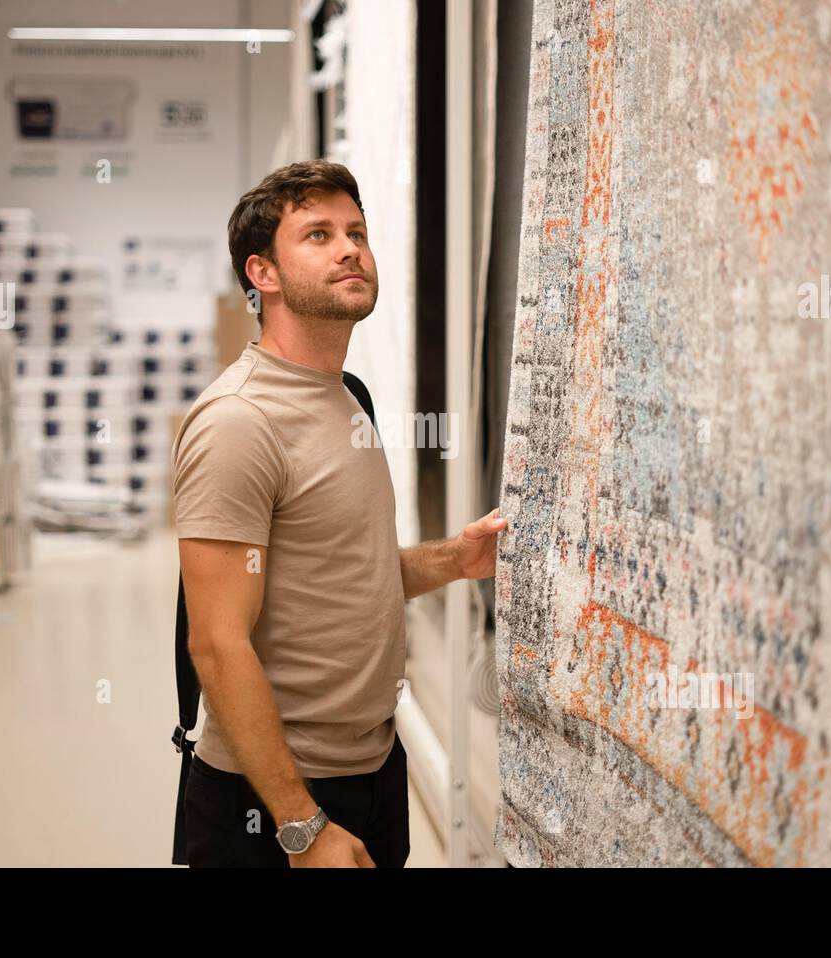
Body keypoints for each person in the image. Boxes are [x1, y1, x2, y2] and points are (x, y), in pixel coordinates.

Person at [172, 159, 506, 867]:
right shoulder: (239, 420)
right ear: (261, 274)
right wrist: (301, 826)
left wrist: (457, 559)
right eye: (318, 235)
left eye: (356, 231)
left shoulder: (347, 395)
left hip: (371, 773)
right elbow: (217, 644)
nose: (350, 248)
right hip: (270, 800)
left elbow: (344, 574)